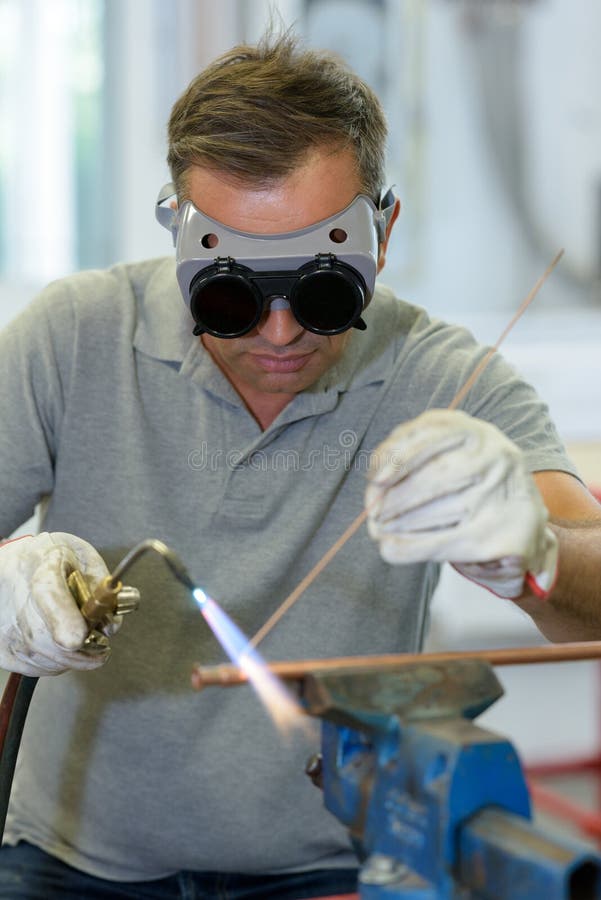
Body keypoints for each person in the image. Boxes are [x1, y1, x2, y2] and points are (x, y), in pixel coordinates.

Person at [0, 30, 600, 900]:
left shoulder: (448, 378)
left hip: (328, 874)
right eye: (231, 298)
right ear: (178, 236)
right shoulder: (72, 337)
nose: (278, 335)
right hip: (70, 864)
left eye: (322, 292)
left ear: (382, 234)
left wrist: (537, 553)